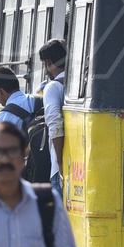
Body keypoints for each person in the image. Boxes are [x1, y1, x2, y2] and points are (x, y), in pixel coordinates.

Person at [38, 40, 68, 194]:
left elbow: (55, 125)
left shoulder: (53, 87)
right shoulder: (77, 84)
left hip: (61, 169)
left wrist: (59, 162)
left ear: (48, 62)